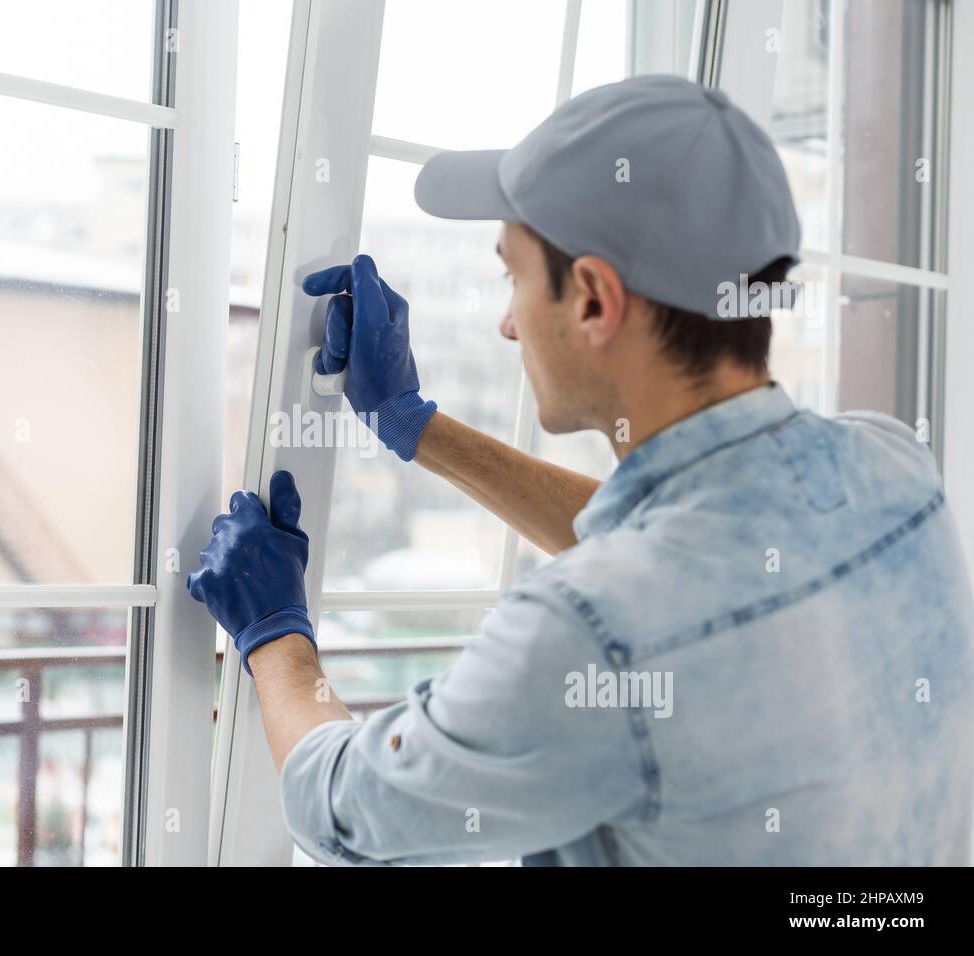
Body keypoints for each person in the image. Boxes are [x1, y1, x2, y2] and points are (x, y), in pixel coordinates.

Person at [186, 75, 974, 865]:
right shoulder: (892, 469)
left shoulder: (585, 640)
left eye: (513, 277)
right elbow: (680, 547)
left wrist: (275, 635)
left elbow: (344, 812)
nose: (506, 323)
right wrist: (415, 427)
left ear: (595, 299)